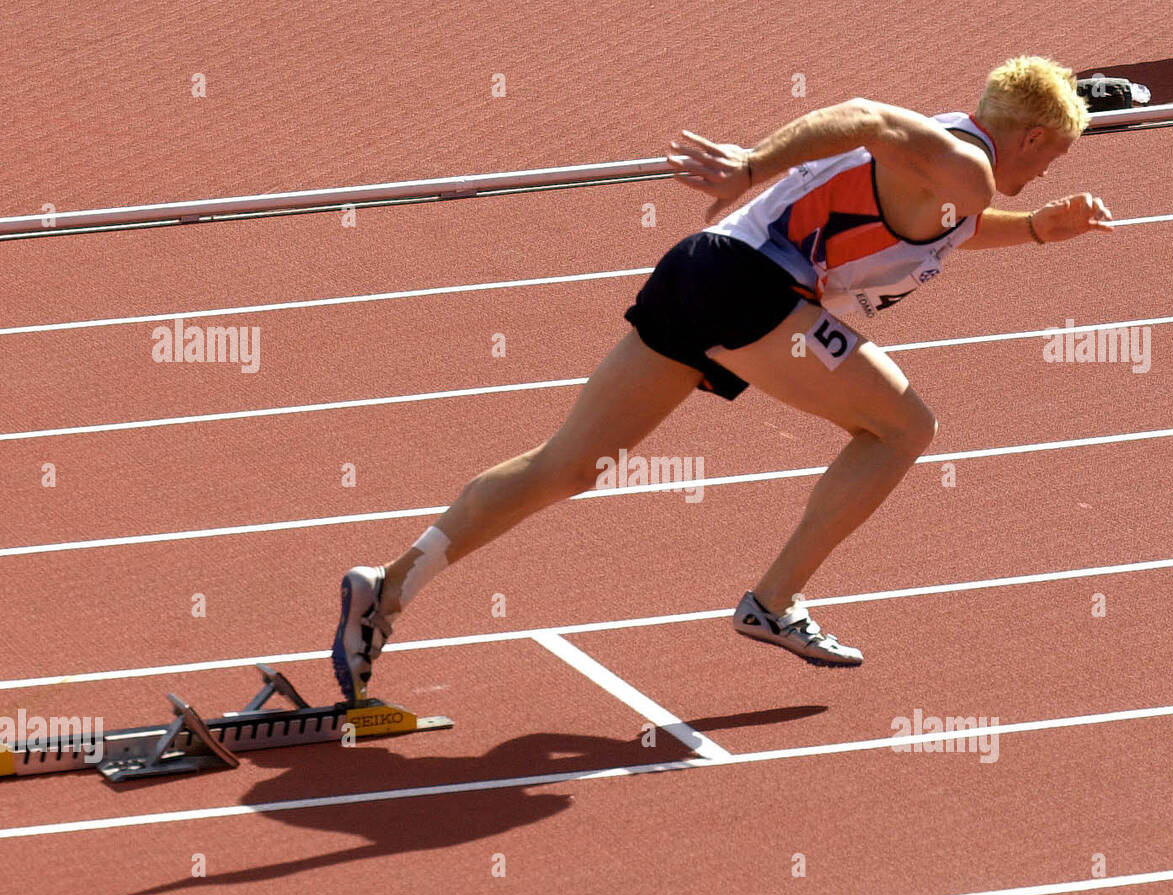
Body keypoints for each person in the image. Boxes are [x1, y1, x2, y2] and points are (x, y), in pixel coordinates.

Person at [331, 55, 1113, 700]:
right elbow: (867, 112)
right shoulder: (969, 167)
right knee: (905, 428)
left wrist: (1041, 231)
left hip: (699, 270)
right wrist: (752, 162)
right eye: (1054, 160)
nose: (1047, 175)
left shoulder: (953, 178)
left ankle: (388, 588)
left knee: (565, 465)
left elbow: (940, 228)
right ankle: (773, 602)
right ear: (1036, 137)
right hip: (753, 287)